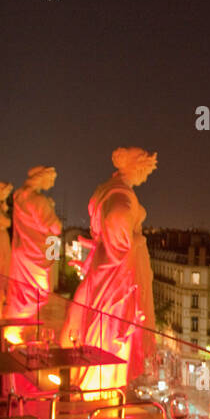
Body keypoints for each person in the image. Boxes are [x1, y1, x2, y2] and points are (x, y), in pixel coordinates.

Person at [62, 148, 158, 393]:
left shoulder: (107, 188)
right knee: (111, 329)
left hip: (106, 265)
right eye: (145, 172)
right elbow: (117, 215)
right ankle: (102, 394)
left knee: (101, 324)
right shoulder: (121, 193)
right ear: (136, 168)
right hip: (117, 271)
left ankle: (99, 388)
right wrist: (131, 242)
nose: (145, 179)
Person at [6, 166, 62, 319]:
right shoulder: (38, 200)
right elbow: (55, 227)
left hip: (23, 249)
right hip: (37, 251)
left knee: (22, 292)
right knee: (39, 294)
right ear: (41, 178)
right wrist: (51, 209)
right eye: (51, 180)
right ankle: (23, 325)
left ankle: (14, 326)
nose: (51, 184)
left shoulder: (19, 197)